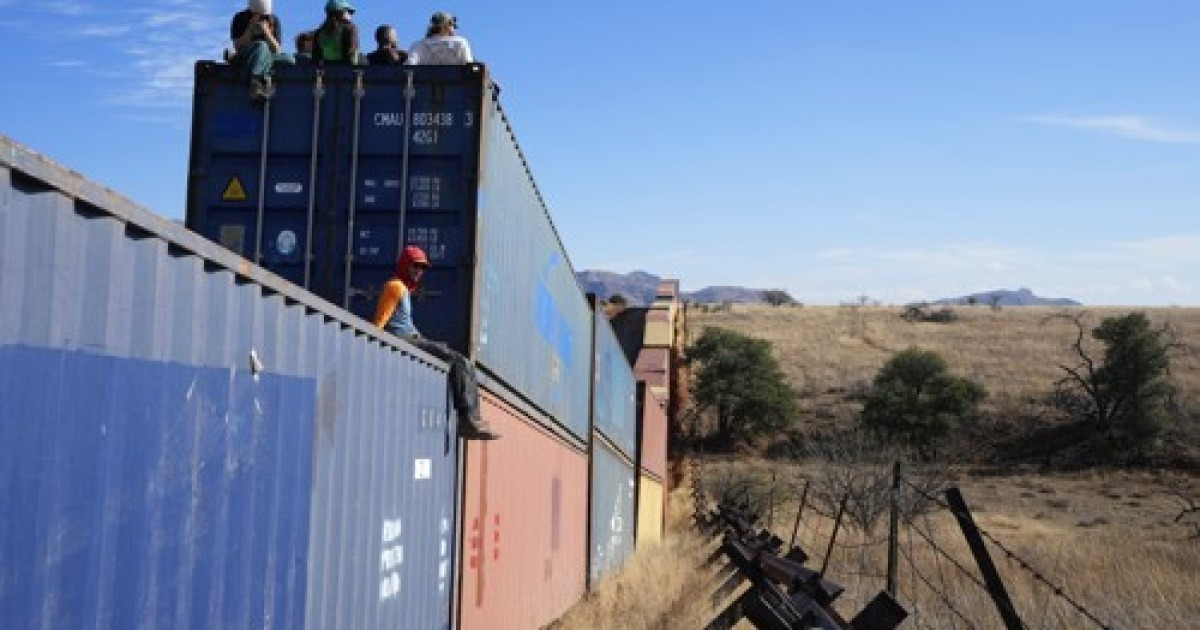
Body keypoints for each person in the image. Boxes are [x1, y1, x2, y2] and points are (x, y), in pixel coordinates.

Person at [373, 246, 500, 440]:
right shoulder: (395, 287)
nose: (419, 271)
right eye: (415, 266)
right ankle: (468, 420)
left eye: (422, 268)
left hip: (411, 337)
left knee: (459, 360)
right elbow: (379, 323)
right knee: (458, 361)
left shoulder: (403, 289)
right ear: (405, 265)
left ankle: (473, 418)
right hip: (403, 340)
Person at [229, 0, 294, 100]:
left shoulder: (274, 20)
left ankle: (251, 64)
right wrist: (250, 29)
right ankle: (256, 81)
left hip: (268, 55)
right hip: (248, 54)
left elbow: (277, 50)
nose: (261, 17)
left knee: (290, 59)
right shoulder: (239, 18)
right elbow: (238, 46)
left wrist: (267, 32)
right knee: (261, 46)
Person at [407, 11, 473, 65]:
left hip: (425, 77)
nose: (454, 30)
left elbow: (410, 64)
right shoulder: (460, 42)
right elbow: (469, 65)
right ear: (447, 26)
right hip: (455, 77)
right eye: (453, 26)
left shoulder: (418, 44)